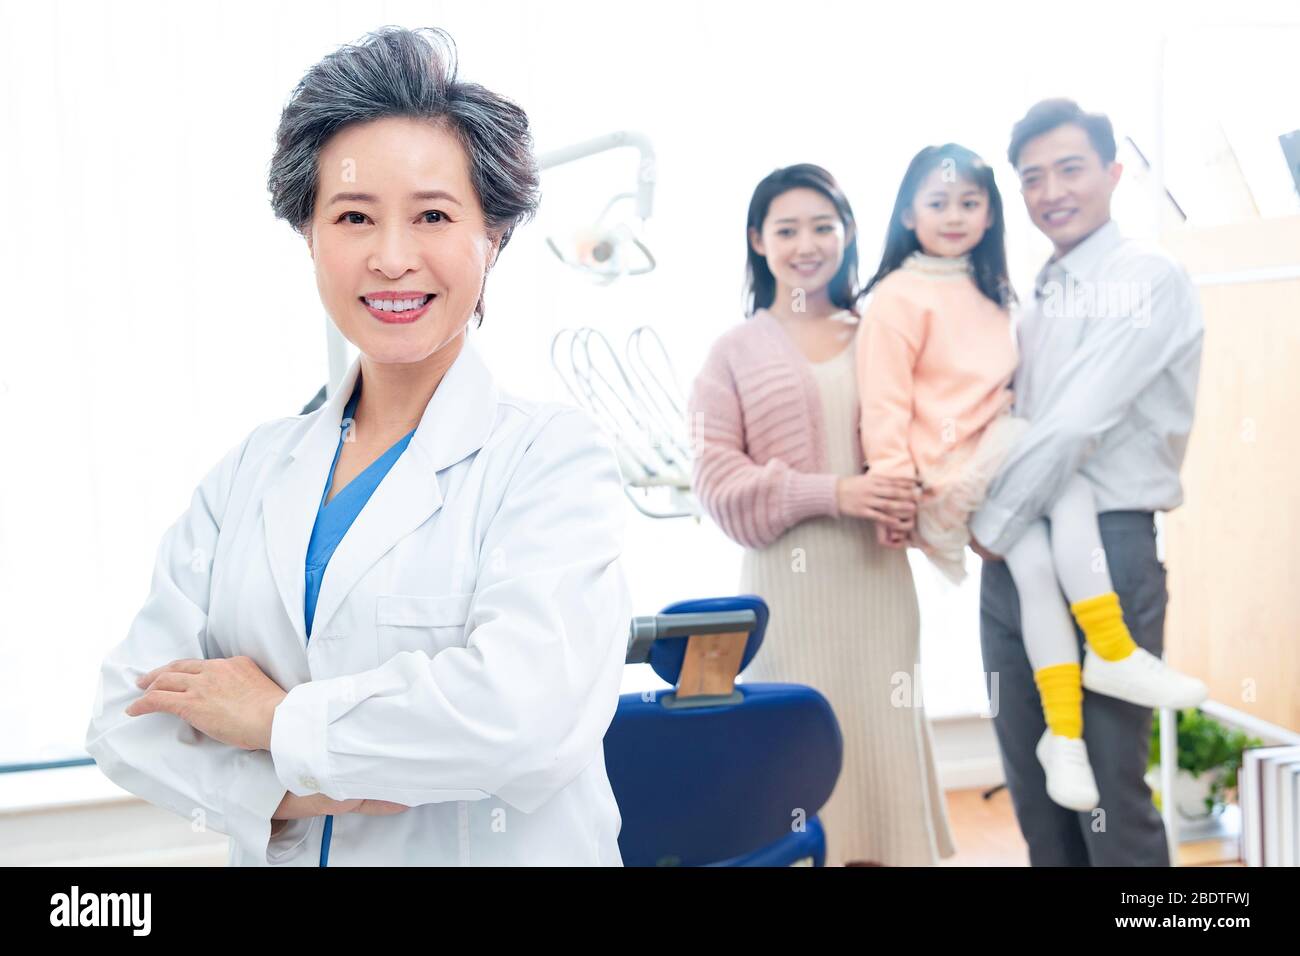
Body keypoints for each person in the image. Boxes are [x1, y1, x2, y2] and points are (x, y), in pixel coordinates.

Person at [84, 26, 632, 866]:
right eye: (353, 217)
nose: (391, 257)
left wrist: (272, 722)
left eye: (434, 216)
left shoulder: (551, 461)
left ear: (494, 239)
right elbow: (126, 713)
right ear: (309, 236)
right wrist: (282, 790)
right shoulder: (250, 474)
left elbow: (520, 720)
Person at [855, 143, 1206, 816]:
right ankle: (1107, 653)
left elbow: (1048, 411)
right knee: (1067, 487)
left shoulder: (1017, 289)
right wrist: (900, 487)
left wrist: (1000, 514)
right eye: (938, 203)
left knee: (1044, 570)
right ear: (907, 213)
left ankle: (1065, 732)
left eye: (970, 202)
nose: (955, 216)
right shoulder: (906, 296)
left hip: (1026, 489)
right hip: (963, 475)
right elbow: (885, 403)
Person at [688, 164, 956, 866]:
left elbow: (939, 439)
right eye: (786, 229)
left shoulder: (884, 333)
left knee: (880, 761)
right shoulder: (733, 352)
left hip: (878, 586)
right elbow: (716, 482)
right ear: (758, 240)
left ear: (848, 234)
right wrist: (835, 493)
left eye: (822, 226)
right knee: (805, 768)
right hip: (789, 594)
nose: (806, 243)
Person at [969, 99, 1205, 865]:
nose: (1049, 193)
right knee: (1041, 792)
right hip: (1017, 555)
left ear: (1113, 171)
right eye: (1031, 178)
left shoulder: (1145, 276)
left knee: (1107, 793)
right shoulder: (1039, 292)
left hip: (1100, 545)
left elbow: (1073, 429)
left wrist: (990, 525)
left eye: (1069, 169)